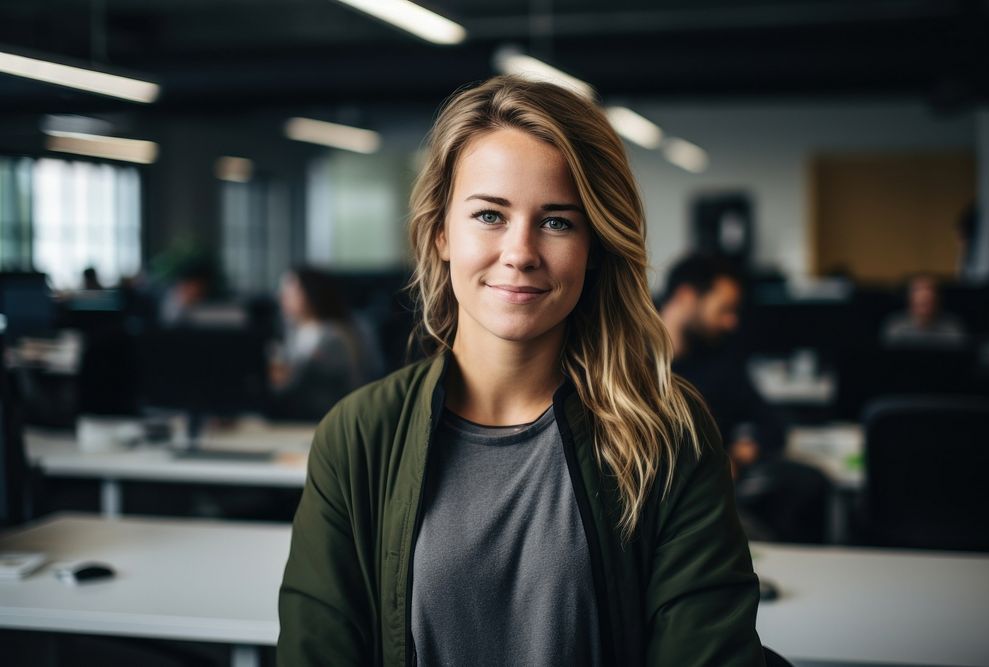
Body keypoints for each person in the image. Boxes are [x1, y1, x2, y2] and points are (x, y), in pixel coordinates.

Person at [278, 76, 764, 666]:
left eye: (557, 221)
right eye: (489, 214)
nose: (521, 251)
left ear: (595, 245)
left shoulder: (668, 432)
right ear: (440, 234)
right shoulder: (358, 435)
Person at [658, 253, 828, 543]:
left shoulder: (720, 356)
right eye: (724, 309)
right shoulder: (624, 354)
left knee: (808, 483)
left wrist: (740, 452)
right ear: (686, 296)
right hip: (661, 489)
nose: (731, 322)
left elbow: (772, 422)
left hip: (719, 483)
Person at [269, 267, 371, 421]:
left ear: (311, 293)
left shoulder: (333, 337)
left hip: (325, 418)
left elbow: (294, 382)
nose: (283, 298)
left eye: (291, 292)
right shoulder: (295, 333)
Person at [882, 273, 966, 347]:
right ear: (908, 298)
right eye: (918, 290)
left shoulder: (952, 328)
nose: (925, 295)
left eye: (929, 290)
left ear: (938, 298)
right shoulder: (896, 327)